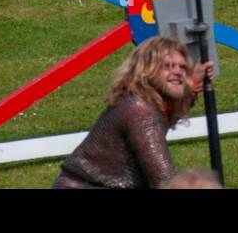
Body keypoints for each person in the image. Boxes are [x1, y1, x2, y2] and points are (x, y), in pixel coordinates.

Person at [52, 36, 213, 189]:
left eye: (182, 67)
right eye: (168, 66)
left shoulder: (144, 104)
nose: (178, 72)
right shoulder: (139, 110)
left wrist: (191, 87)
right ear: (146, 70)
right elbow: (165, 182)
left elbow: (166, 117)